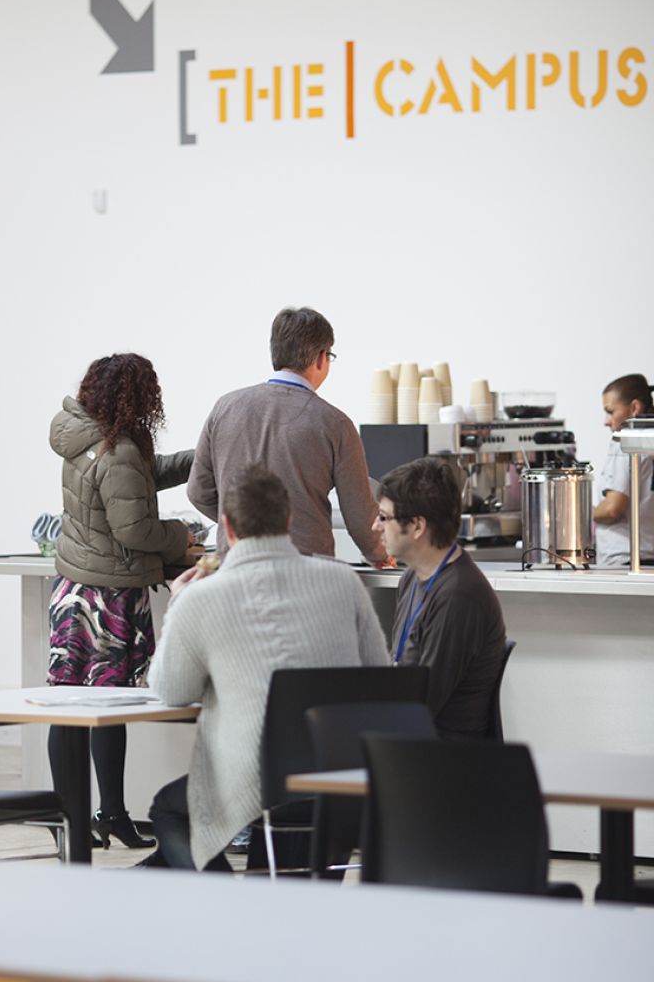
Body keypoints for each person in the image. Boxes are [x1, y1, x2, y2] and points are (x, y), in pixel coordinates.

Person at [145, 464, 390, 871]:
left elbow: (171, 690)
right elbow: (378, 676)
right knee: (292, 808)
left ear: (227, 526)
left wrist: (177, 604)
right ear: (289, 518)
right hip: (341, 773)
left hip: (253, 782)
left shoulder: (202, 598)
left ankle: (233, 908)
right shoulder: (344, 583)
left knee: (170, 811)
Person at [48, 352, 196, 849]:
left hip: (74, 591)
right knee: (106, 709)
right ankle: (109, 812)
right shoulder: (118, 451)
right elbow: (135, 528)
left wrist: (202, 455)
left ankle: (75, 820)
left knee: (68, 705)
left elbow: (140, 479)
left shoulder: (84, 440)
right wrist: (183, 536)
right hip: (108, 598)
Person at [187, 306, 388, 564]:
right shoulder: (335, 423)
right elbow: (360, 516)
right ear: (320, 358)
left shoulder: (224, 408)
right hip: (307, 569)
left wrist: (246, 524)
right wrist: (380, 555)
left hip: (236, 564)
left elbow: (198, 491)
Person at [374, 456, 506, 741]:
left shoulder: (458, 595)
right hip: (410, 744)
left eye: (384, 517)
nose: (375, 527)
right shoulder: (412, 578)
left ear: (417, 526)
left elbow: (422, 703)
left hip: (441, 759)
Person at [593, 373, 654, 568]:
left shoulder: (625, 443)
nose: (606, 421)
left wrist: (577, 514)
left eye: (610, 411)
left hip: (624, 559)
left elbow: (612, 508)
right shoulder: (649, 441)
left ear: (634, 408)